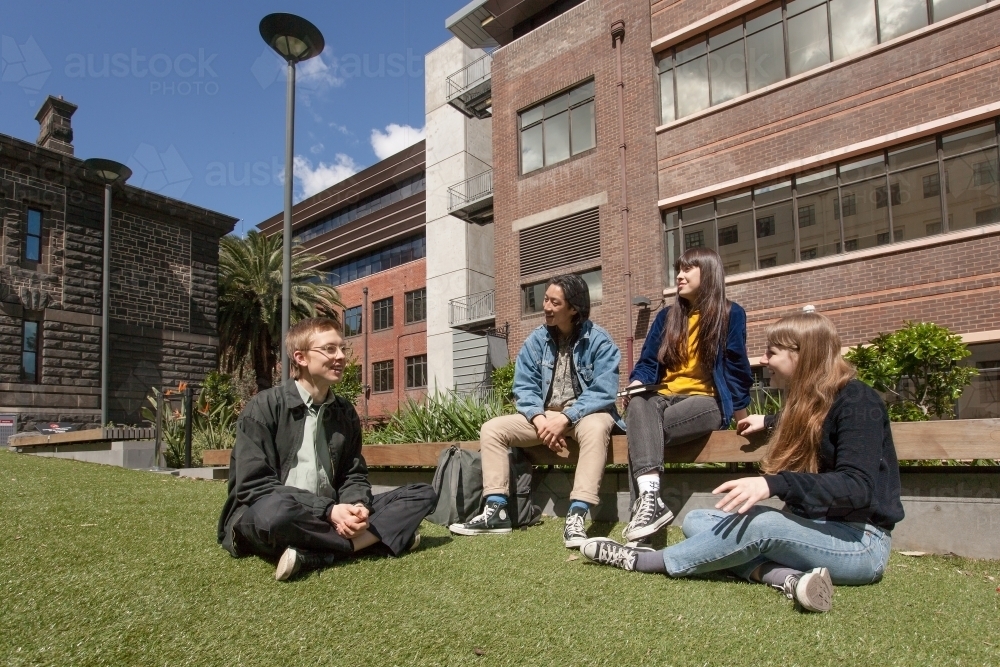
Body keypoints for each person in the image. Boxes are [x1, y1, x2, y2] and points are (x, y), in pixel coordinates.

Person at [580, 312, 904, 613]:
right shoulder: (807, 404)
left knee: (760, 524)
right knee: (698, 520)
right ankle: (783, 577)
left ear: (801, 354)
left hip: (859, 544)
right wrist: (772, 420)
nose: (764, 360)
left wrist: (771, 484)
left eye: (772, 351)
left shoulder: (859, 401)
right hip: (811, 531)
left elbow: (858, 486)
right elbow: (819, 423)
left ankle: (644, 561)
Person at [218, 317, 436, 581]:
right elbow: (254, 487)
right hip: (279, 512)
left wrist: (356, 507)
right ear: (301, 357)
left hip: (329, 512)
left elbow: (352, 474)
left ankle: (315, 553)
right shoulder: (263, 408)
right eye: (330, 349)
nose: (341, 356)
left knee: (421, 494)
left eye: (343, 348)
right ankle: (369, 542)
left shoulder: (344, 412)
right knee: (276, 512)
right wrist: (328, 510)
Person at [448, 274, 623, 548]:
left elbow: (604, 390)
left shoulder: (599, 341)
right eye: (545, 299)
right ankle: (496, 509)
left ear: (573, 308)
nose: (546, 307)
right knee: (492, 429)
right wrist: (541, 419)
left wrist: (566, 418)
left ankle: (576, 515)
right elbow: (524, 387)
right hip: (544, 416)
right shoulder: (536, 340)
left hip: (584, 414)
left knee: (597, 427)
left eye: (555, 302)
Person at [620, 247, 753, 543]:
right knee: (640, 404)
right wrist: (637, 383)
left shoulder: (731, 314)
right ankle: (650, 506)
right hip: (663, 399)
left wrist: (742, 417)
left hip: (707, 403)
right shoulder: (667, 316)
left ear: (708, 273)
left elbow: (737, 369)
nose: (679, 275)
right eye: (678, 269)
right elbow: (648, 363)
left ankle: (641, 531)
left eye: (687, 269)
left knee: (642, 433)